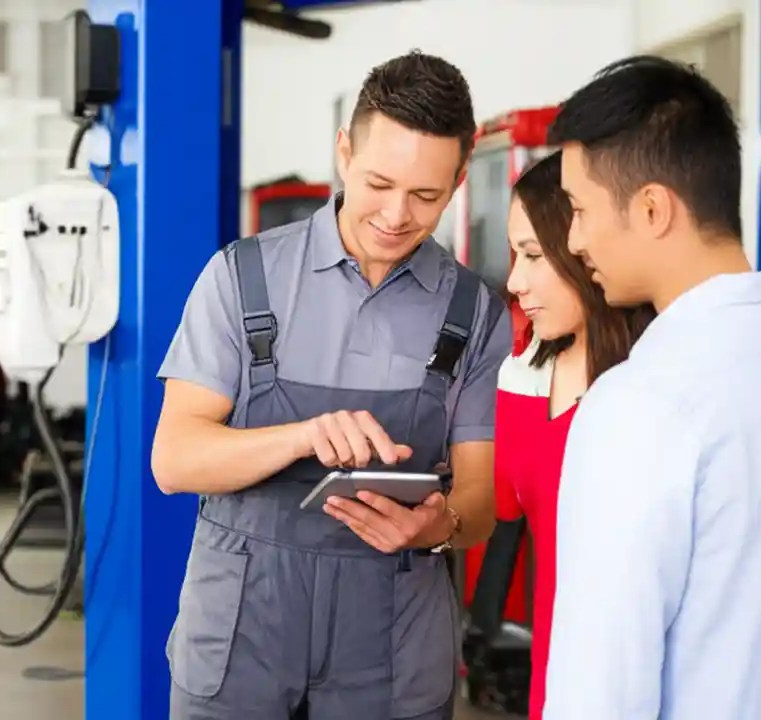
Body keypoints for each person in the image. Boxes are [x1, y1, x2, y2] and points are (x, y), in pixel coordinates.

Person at [151, 50, 512, 720]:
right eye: (379, 182)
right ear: (344, 152)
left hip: (392, 645)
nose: (397, 215)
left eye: (426, 195)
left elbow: (481, 498)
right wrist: (302, 437)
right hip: (243, 633)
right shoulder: (241, 279)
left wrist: (443, 523)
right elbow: (174, 460)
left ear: (459, 180)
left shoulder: (475, 315)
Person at [542, 56, 761, 719]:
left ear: (651, 208)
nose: (575, 238)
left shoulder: (639, 406)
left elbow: (598, 692)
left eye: (580, 209)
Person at [493, 151, 654, 719]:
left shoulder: (661, 386)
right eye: (515, 255)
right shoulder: (521, 378)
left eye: (534, 255)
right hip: (560, 683)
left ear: (587, 245)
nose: (514, 281)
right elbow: (495, 510)